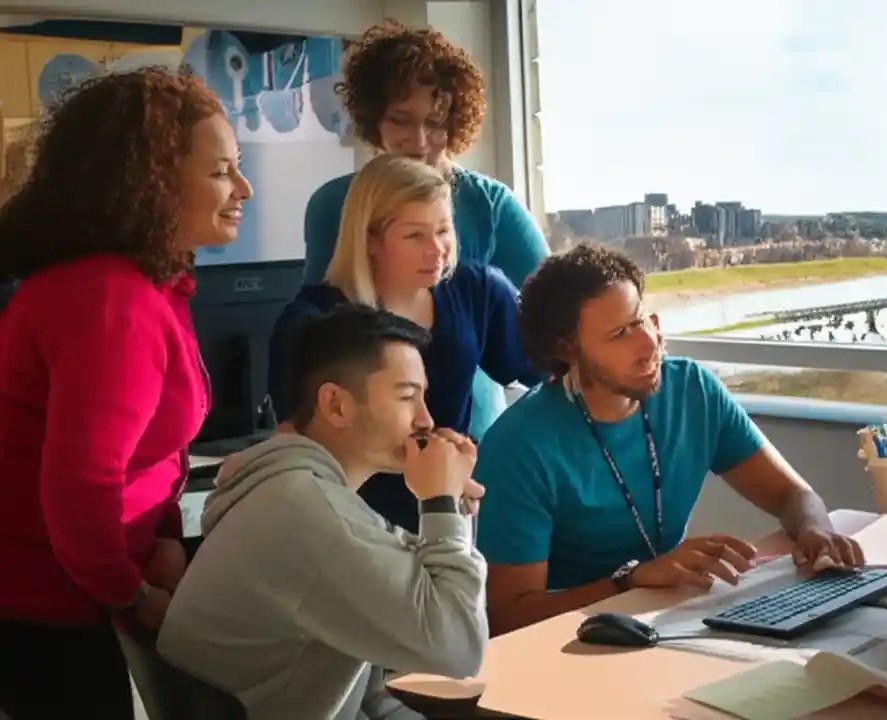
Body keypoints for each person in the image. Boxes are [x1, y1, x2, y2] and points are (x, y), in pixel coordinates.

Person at [0, 68, 252, 719]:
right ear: (153, 182)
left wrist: (162, 540)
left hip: (87, 591)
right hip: (50, 611)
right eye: (221, 171)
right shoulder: (109, 302)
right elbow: (81, 487)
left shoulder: (142, 285)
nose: (242, 189)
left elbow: (151, 454)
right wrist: (131, 595)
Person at [474, 244, 865, 636]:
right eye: (620, 334)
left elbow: (791, 495)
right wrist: (630, 581)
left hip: (665, 624)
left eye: (641, 318)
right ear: (567, 348)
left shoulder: (692, 390)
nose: (648, 344)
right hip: (565, 645)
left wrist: (815, 529)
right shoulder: (518, 448)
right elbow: (507, 616)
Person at [159, 305, 488, 720]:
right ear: (336, 405)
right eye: (407, 397)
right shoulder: (309, 516)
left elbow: (372, 696)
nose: (426, 420)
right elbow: (459, 649)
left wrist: (454, 506)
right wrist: (439, 502)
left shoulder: (303, 495)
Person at [270, 153, 542, 532]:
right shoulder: (310, 324)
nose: (437, 249)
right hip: (346, 523)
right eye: (415, 235)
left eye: (443, 230)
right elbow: (296, 442)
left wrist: (499, 460)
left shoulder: (477, 290)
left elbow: (550, 373)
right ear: (370, 241)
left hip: (449, 512)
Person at [306, 20, 549, 440]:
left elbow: (557, 312)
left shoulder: (490, 205)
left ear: (455, 122)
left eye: (435, 123)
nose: (419, 141)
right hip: (363, 442)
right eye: (401, 121)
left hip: (470, 440)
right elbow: (314, 334)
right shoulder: (332, 205)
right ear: (374, 120)